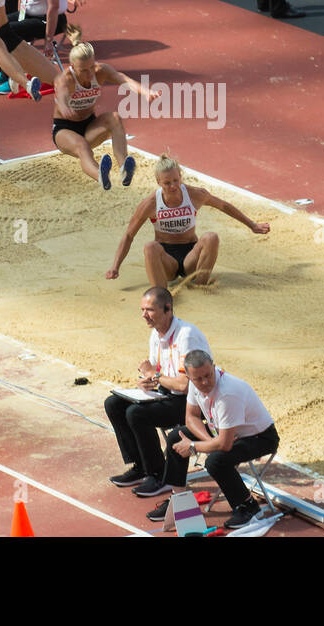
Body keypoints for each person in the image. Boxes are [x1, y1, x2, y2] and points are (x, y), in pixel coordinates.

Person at [145, 349, 280, 530]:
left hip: (260, 437)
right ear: (190, 378)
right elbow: (191, 418)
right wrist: (208, 441)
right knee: (176, 438)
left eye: (208, 375)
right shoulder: (195, 383)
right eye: (198, 379)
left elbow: (224, 444)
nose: (205, 382)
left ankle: (248, 506)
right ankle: (177, 499)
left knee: (215, 460)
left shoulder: (228, 394)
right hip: (221, 430)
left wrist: (194, 446)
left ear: (214, 367)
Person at [104, 287, 212, 494]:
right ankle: (141, 467)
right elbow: (154, 373)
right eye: (142, 310)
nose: (144, 315)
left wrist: (153, 375)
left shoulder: (187, 336)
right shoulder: (156, 334)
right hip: (166, 394)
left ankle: (159, 475)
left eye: (150, 310)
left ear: (168, 309)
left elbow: (184, 385)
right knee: (114, 404)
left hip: (192, 402)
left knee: (136, 414)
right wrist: (145, 381)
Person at [106, 154, 270, 287]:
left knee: (211, 237)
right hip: (166, 258)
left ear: (180, 176)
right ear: (158, 182)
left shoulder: (195, 194)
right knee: (150, 247)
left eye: (176, 181)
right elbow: (129, 235)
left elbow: (224, 206)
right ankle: (161, 295)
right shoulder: (150, 204)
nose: (172, 186)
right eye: (167, 183)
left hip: (191, 255)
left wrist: (252, 225)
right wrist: (115, 266)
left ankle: (200, 288)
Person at [52, 42, 153, 188]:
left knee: (114, 118)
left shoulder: (101, 71)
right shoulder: (66, 79)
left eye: (92, 67)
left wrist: (146, 92)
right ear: (73, 67)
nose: (90, 73)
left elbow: (123, 79)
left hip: (89, 126)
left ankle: (124, 167)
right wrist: (63, 106)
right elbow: (61, 94)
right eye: (84, 70)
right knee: (82, 146)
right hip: (65, 130)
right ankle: (100, 175)